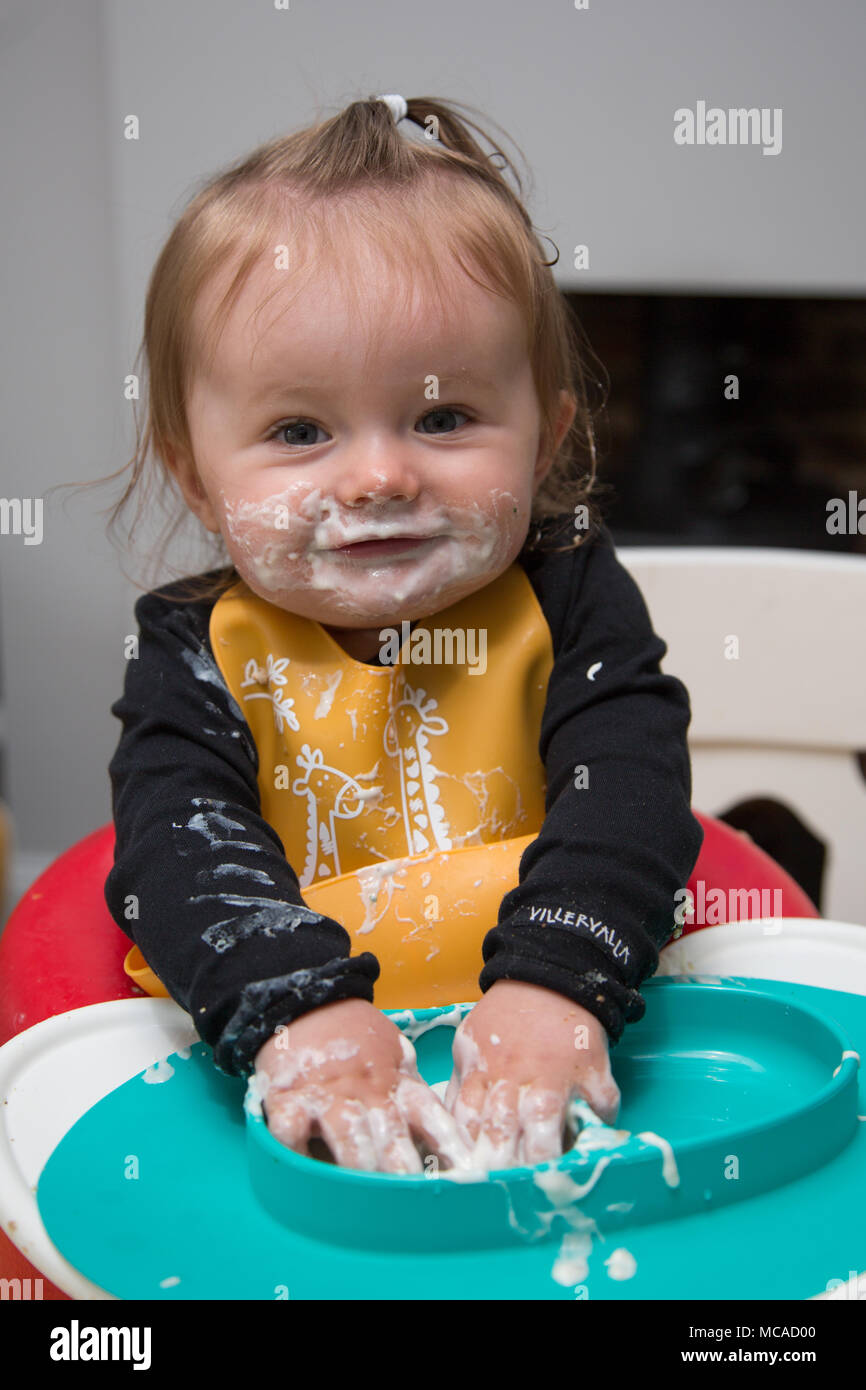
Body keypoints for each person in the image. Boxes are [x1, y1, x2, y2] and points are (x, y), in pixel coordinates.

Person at [102, 93, 703, 1176]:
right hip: (283, 1020)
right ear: (196, 473)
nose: (379, 476)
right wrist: (296, 1016)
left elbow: (628, 788)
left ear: (545, 433)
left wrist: (557, 984)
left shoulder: (568, 594)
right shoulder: (193, 650)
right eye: (298, 430)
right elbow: (174, 843)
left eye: (441, 418)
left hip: (552, 985)